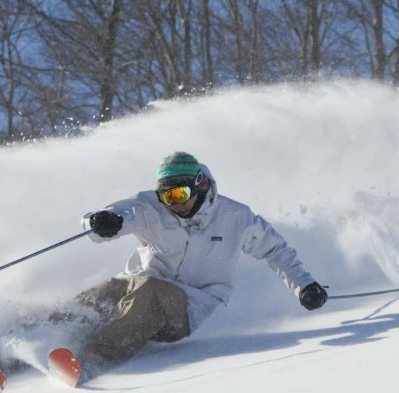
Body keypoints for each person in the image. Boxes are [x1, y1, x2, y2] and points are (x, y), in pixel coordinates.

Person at [66, 151, 327, 374]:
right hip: (137, 287)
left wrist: (304, 285)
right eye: (167, 197)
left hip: (191, 306)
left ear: (200, 184)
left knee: (149, 292)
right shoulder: (150, 207)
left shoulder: (235, 217)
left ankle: (94, 359)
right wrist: (100, 223)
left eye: (179, 194)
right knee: (106, 293)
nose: (174, 204)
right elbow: (112, 216)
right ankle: (45, 333)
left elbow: (275, 249)